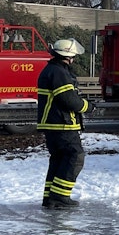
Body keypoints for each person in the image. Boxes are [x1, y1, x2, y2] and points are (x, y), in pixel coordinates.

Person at [37, 38, 93, 208]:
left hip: (54, 124)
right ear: (68, 57)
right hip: (62, 124)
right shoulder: (59, 73)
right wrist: (88, 106)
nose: (74, 59)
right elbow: (69, 100)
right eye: (73, 56)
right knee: (75, 157)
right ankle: (60, 197)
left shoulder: (52, 70)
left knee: (59, 160)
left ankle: (50, 197)